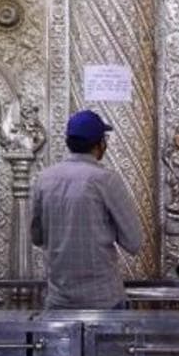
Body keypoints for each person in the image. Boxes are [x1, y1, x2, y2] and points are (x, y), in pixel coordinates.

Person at [30, 110, 143, 310]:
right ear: (100, 144)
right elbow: (133, 242)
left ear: (68, 143)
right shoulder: (106, 180)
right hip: (103, 301)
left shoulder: (44, 179)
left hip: (59, 300)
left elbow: (37, 237)